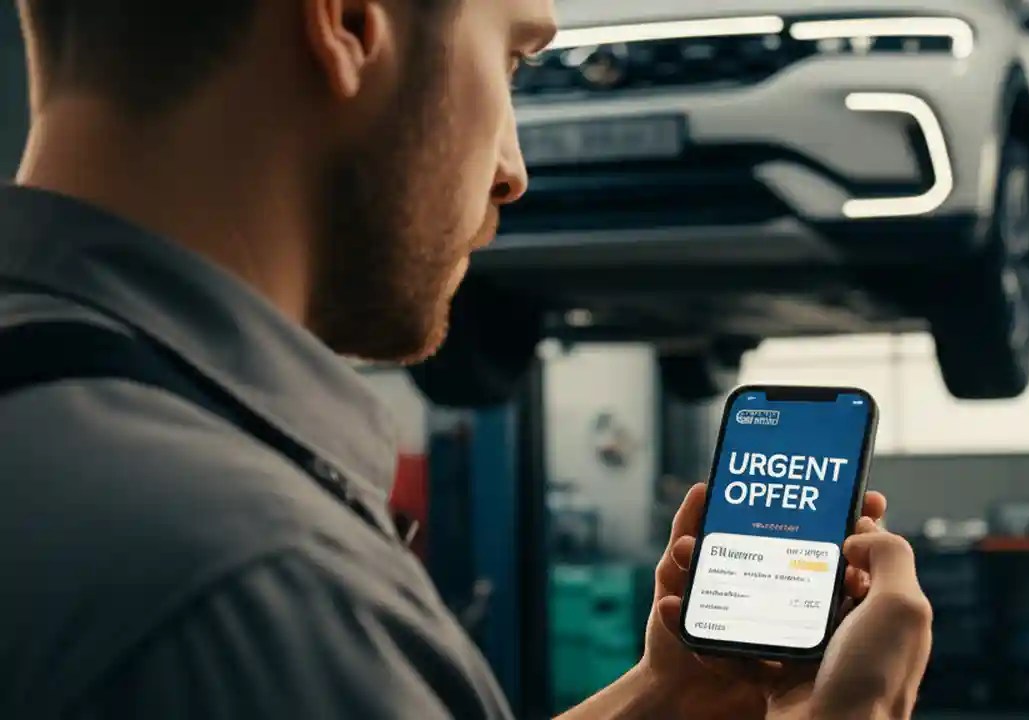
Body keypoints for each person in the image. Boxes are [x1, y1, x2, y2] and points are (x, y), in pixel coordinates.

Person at [0, 0, 932, 718]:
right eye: (515, 61)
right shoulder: (254, 584)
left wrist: (663, 697)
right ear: (351, 23)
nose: (512, 170)